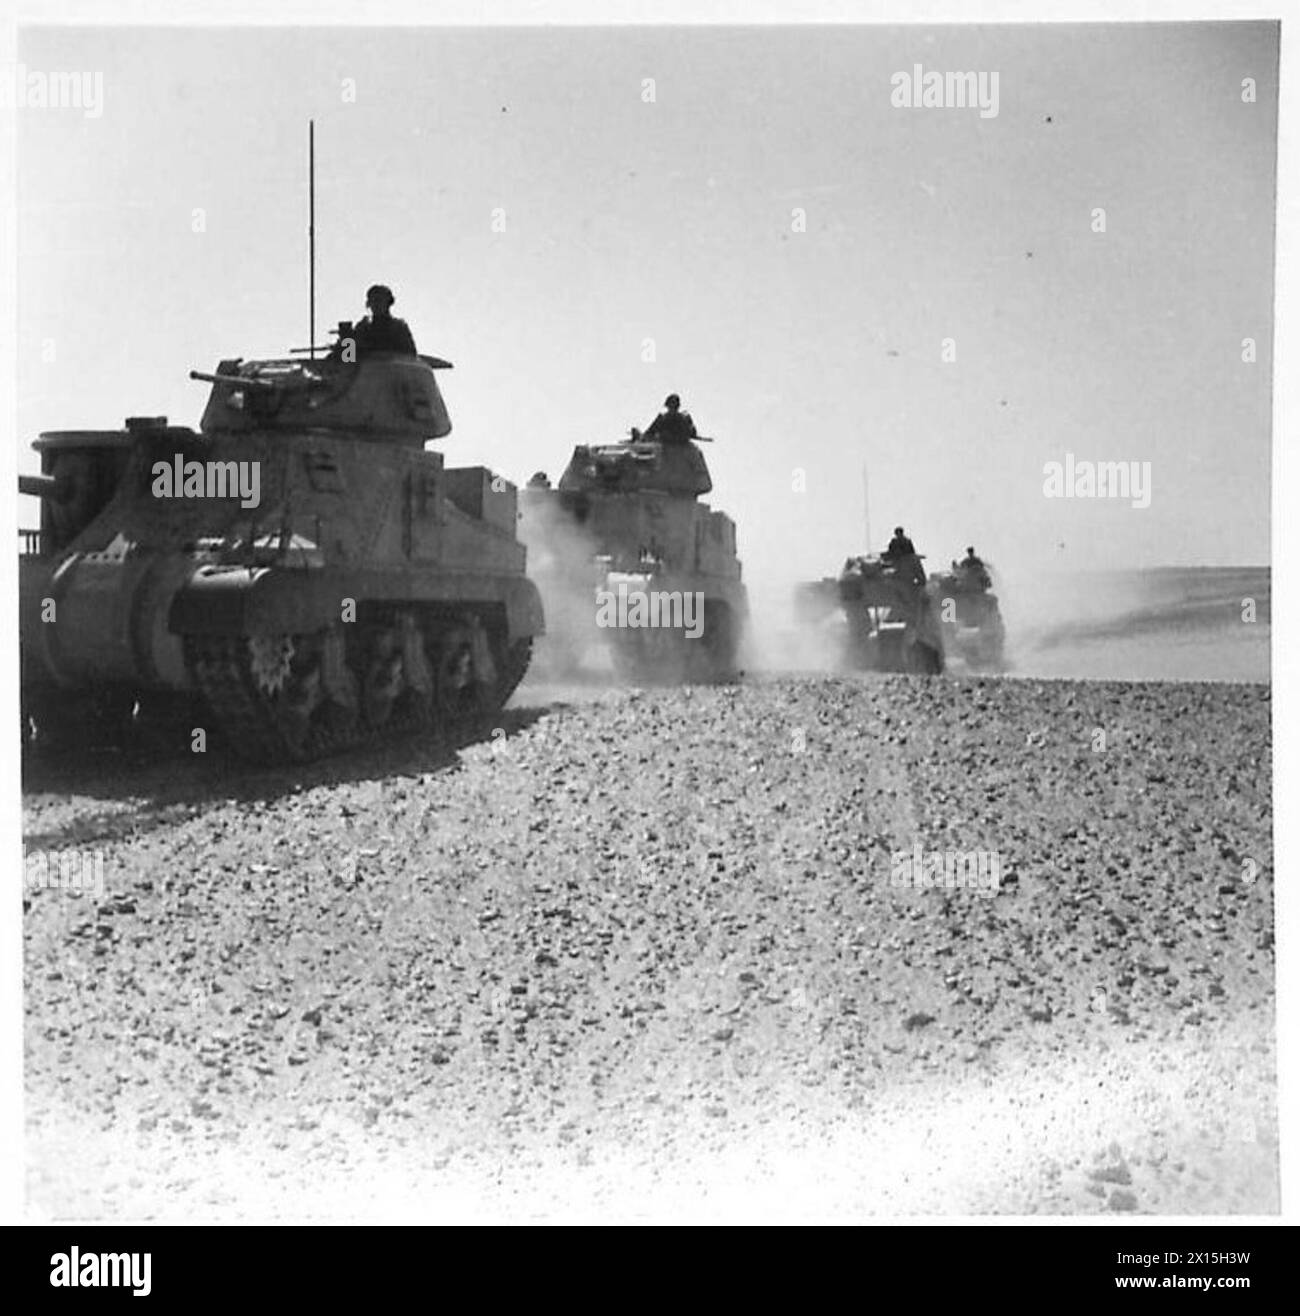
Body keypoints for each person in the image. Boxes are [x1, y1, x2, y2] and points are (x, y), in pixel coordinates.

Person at [348, 285, 418, 357]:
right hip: (368, 367)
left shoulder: (398, 328)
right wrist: (347, 338)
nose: (376, 304)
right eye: (374, 300)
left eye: (380, 300)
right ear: (369, 304)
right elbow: (347, 358)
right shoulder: (362, 329)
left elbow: (410, 356)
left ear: (388, 303)